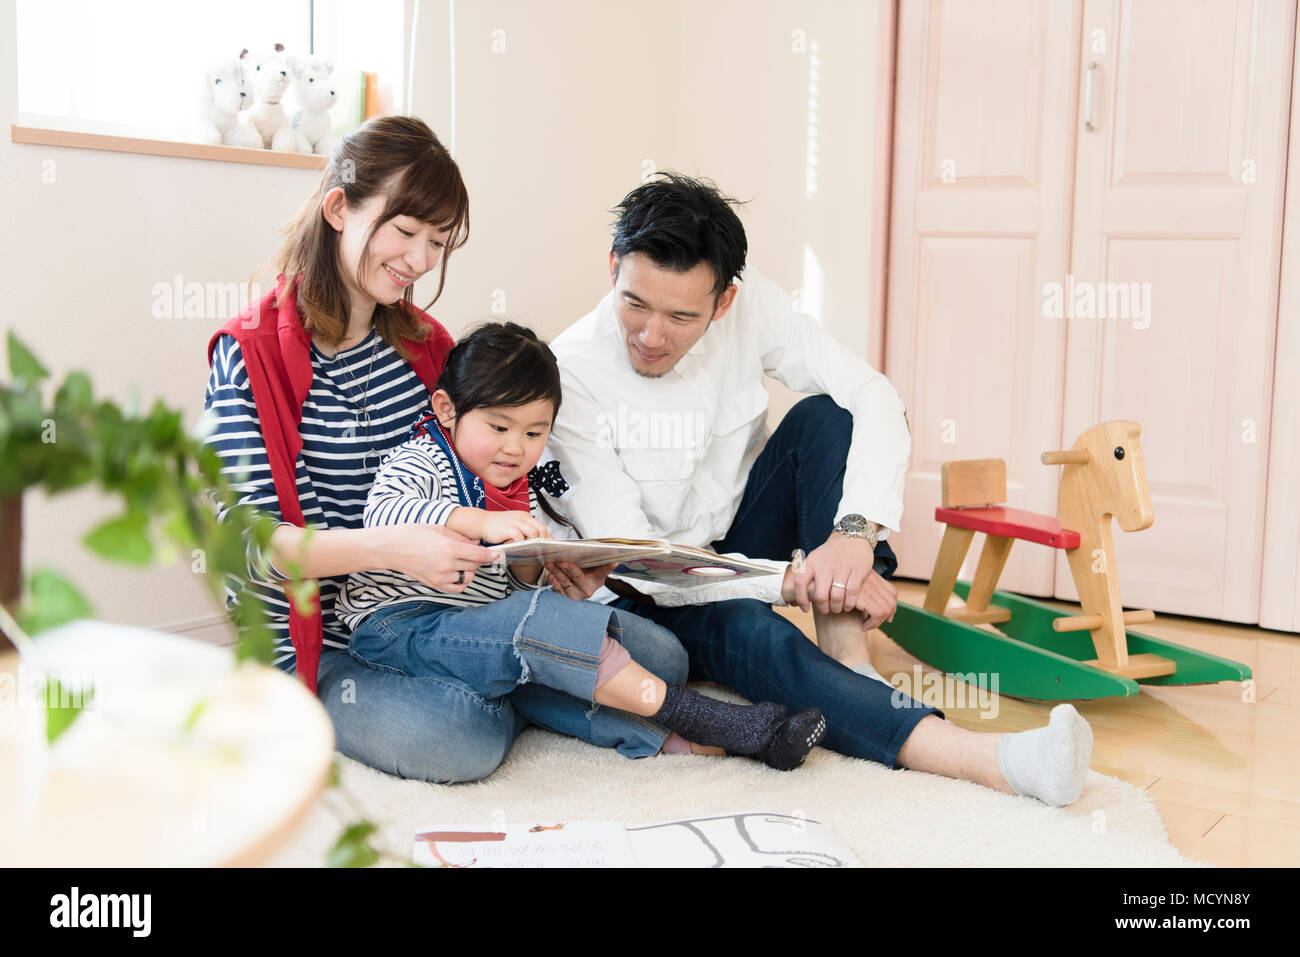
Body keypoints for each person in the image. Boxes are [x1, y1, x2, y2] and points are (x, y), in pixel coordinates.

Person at [543, 173, 1095, 806]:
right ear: (614, 266)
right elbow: (644, 560)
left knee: (830, 415)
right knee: (759, 636)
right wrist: (785, 579)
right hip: (653, 586)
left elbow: (873, 395)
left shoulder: (753, 310)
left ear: (723, 303)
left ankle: (844, 639)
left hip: (737, 532)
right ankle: (992, 760)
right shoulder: (574, 374)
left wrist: (853, 537)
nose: (651, 335)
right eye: (635, 303)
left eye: (681, 316)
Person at [202, 117, 692, 783]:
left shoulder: (427, 348)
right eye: (406, 232)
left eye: (438, 241)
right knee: (456, 734)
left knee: (663, 657)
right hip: (336, 639)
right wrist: (391, 546)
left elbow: (492, 485)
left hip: (456, 613)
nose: (421, 259)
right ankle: (534, 681)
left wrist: (538, 565)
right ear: (340, 207)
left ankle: (522, 667)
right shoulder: (250, 351)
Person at [334, 321, 829, 771]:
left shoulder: (519, 489)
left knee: (621, 659)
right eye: (498, 427)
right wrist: (479, 521)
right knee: (538, 629)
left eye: (534, 432)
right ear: (447, 410)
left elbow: (503, 587)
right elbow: (386, 516)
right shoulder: (419, 460)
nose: (515, 447)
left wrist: (541, 570)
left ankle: (680, 742)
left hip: (477, 632)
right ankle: (724, 723)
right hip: (396, 629)